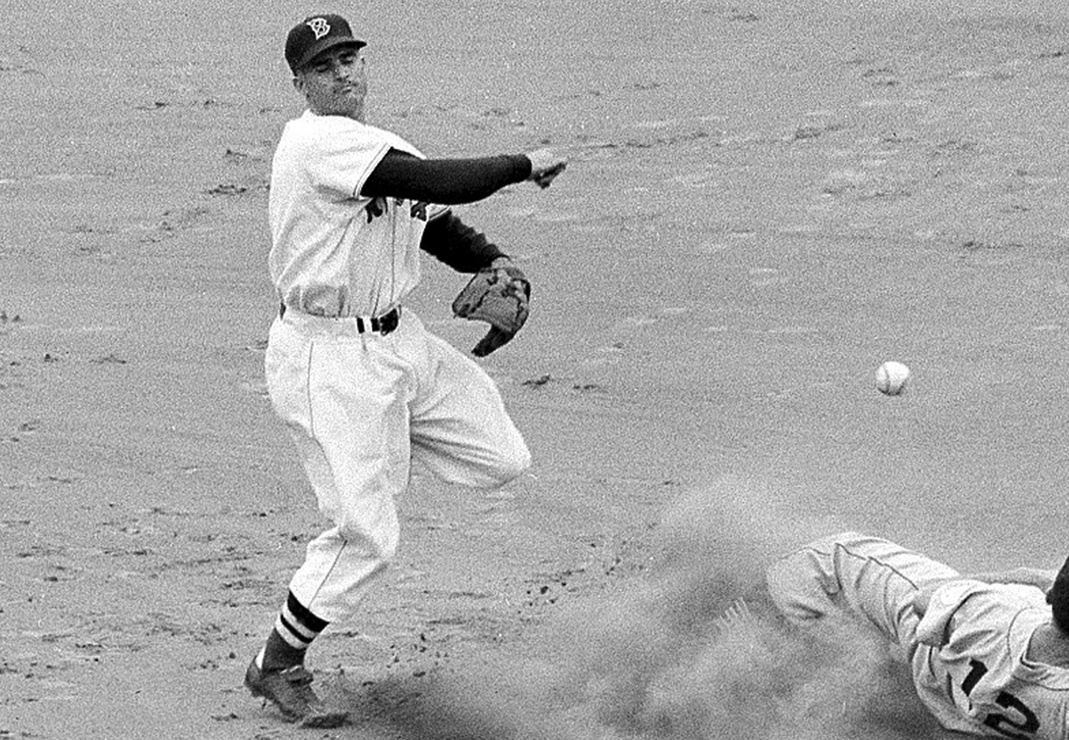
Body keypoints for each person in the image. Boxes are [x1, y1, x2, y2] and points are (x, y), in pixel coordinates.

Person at [244, 13, 568, 727]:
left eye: (350, 59)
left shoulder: (372, 144)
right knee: (368, 536)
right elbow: (434, 180)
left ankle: (377, 446)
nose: (344, 74)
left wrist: (490, 262)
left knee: (502, 456)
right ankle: (277, 665)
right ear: (300, 83)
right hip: (326, 358)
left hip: (399, 345)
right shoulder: (315, 144)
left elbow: (428, 215)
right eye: (325, 67)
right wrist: (520, 165)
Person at [766, 531, 1069, 739]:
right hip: (954, 712)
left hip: (824, 581)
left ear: (1051, 597)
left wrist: (1027, 577)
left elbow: (924, 599)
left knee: (832, 562)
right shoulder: (1061, 708)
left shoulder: (992, 611)